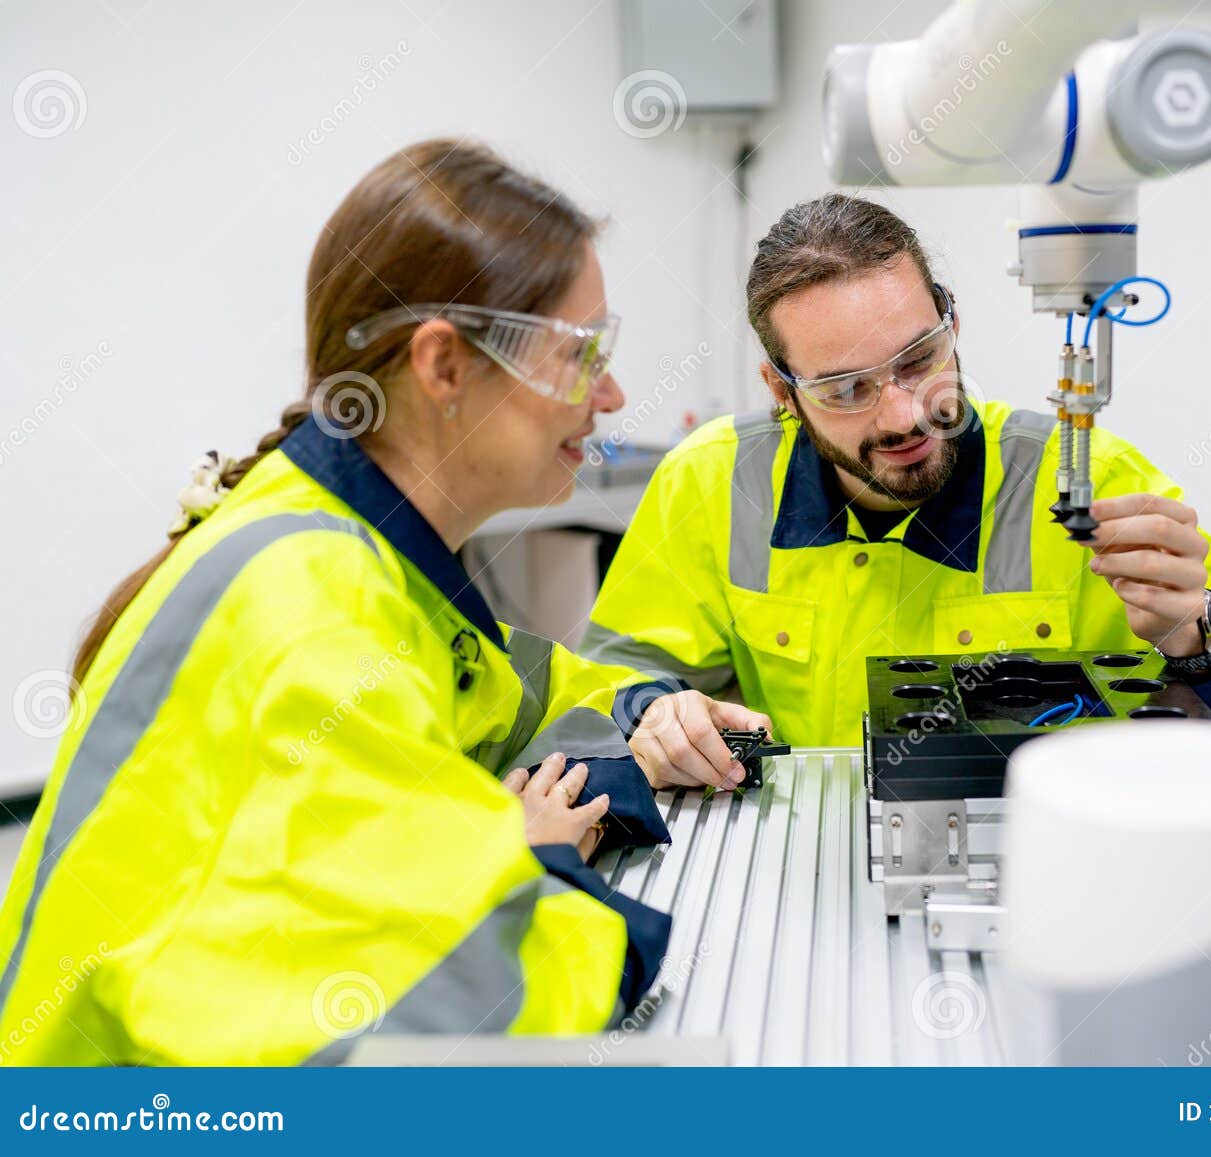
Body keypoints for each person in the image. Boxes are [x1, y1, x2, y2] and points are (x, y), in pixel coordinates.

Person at [0, 139, 764, 1066]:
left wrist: (650, 711)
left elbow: (513, 694)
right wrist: (535, 861)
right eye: (578, 355)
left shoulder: (357, 552)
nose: (610, 394)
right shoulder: (314, 611)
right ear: (443, 364)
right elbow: (468, 1004)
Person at [583, 194, 1211, 753]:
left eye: (919, 359)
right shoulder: (714, 480)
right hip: (810, 867)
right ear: (783, 392)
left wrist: (1201, 634)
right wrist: (654, 713)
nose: (902, 414)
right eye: (846, 389)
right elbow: (609, 676)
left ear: (954, 324)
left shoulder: (1088, 477)